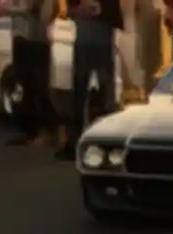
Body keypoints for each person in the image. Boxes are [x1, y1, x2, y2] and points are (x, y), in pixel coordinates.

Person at [56, 0, 124, 161]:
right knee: (82, 93)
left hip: (98, 40)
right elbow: (70, 10)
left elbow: (114, 14)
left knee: (103, 93)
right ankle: (76, 142)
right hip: (88, 40)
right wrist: (79, 9)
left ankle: (106, 142)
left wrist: (99, 10)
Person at [7, 0, 60, 146]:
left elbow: (37, 9)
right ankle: (30, 130)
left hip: (36, 39)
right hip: (20, 35)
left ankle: (51, 130)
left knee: (39, 84)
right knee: (24, 83)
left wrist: (19, 8)